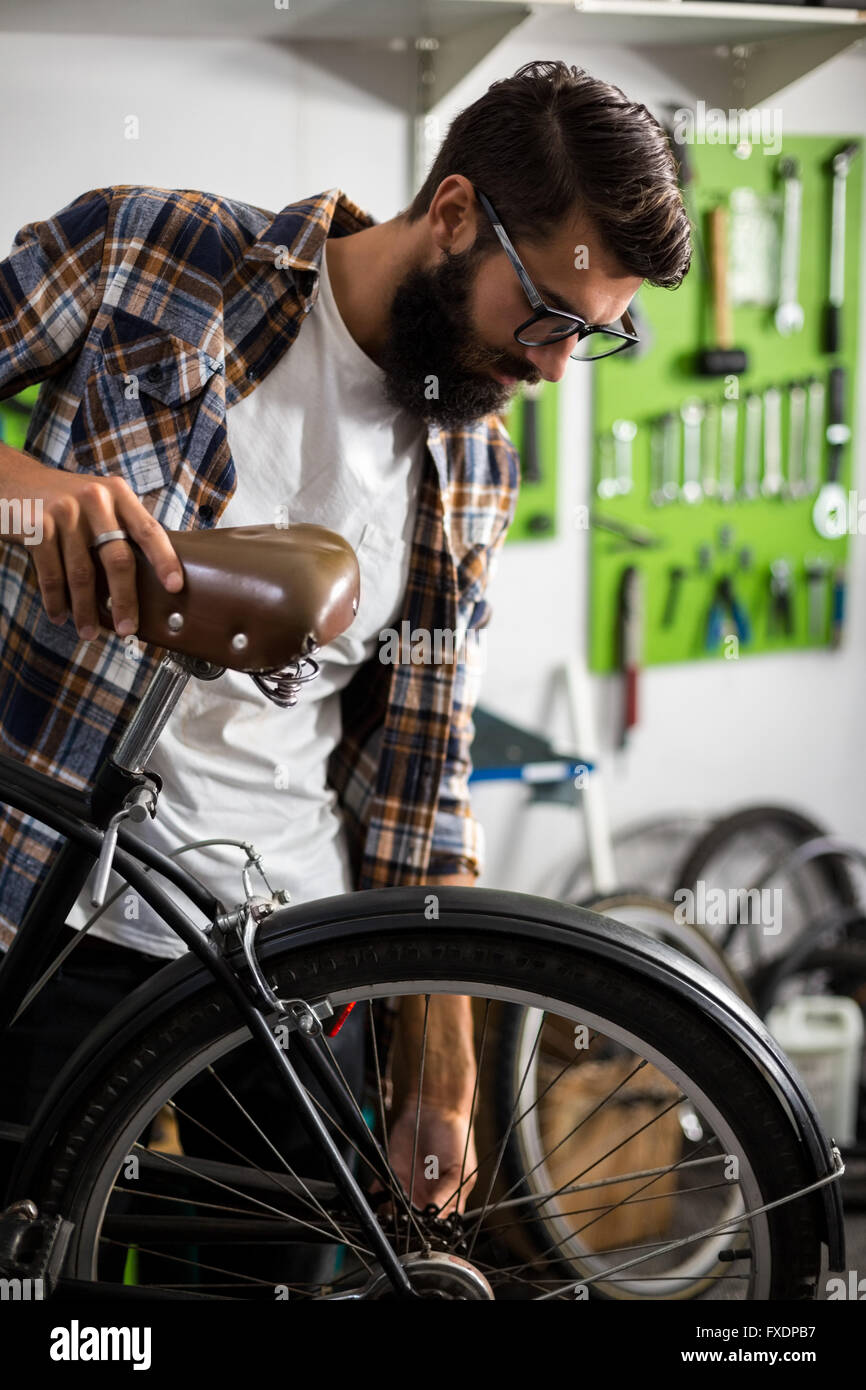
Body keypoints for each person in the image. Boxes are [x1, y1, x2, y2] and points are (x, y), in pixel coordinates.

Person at [0, 59, 690, 1240]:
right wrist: (38, 495)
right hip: (48, 907)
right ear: (457, 213)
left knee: (285, 1264)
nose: (551, 369)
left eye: (594, 338)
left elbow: (423, 778)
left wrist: (444, 1077)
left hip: (288, 946)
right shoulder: (148, 250)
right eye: (545, 316)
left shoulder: (473, 466)